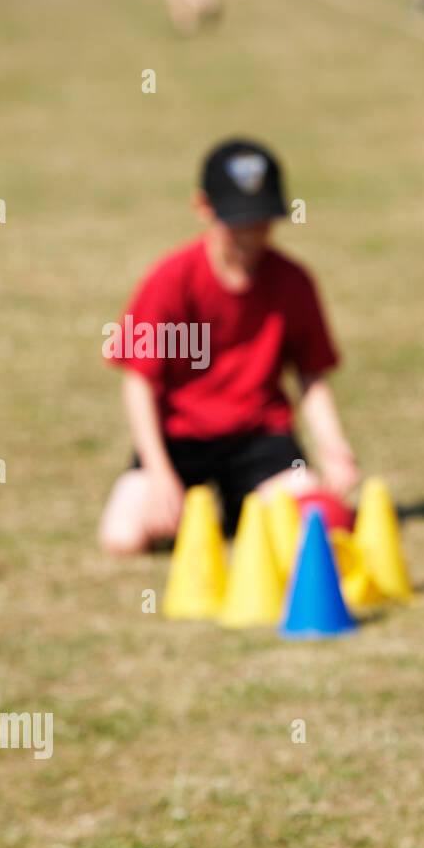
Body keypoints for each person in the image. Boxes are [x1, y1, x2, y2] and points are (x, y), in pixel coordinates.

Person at [98, 137, 359, 553]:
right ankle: (197, 508)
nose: (252, 236)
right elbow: (138, 382)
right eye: (239, 223)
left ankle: (244, 509)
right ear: (204, 207)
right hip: (178, 439)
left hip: (260, 439)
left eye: (261, 222)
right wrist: (160, 472)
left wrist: (334, 447)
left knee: (314, 524)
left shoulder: (294, 281)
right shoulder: (170, 278)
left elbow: (311, 374)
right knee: (123, 538)